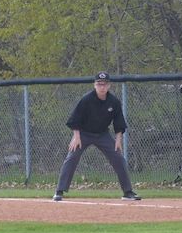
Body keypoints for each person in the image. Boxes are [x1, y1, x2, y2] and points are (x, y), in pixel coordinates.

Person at [53, 71, 141, 202]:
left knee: (118, 157)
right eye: (99, 84)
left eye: (104, 84)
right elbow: (75, 119)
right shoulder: (86, 99)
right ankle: (59, 191)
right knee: (72, 157)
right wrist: (76, 137)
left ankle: (128, 192)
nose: (102, 87)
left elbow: (119, 123)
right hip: (83, 133)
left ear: (109, 86)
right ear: (94, 85)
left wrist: (118, 140)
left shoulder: (113, 102)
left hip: (102, 134)